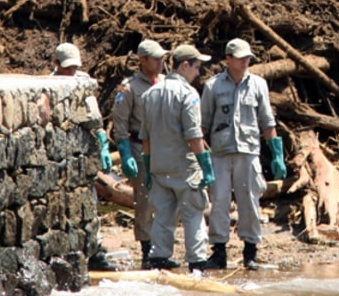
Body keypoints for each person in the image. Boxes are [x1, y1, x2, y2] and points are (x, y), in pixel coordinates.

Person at [199, 38, 287, 270]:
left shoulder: (258, 84)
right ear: (228, 59)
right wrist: (200, 157)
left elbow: (267, 121)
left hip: (248, 152)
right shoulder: (213, 86)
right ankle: (218, 252)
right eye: (241, 57)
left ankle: (251, 252)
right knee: (219, 202)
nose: (246, 61)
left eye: (248, 57)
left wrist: (277, 153)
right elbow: (203, 124)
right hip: (220, 153)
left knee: (250, 201)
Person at [140, 44, 216, 273]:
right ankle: (197, 264)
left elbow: (145, 138)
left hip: (159, 167)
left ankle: (159, 261)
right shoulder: (188, 94)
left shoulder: (149, 94)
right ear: (185, 65)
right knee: (193, 213)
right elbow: (194, 136)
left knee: (163, 215)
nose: (198, 73)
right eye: (197, 67)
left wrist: (148, 167)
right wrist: (206, 166)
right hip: (184, 167)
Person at [50, 42, 118, 272]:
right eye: (67, 67)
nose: (71, 72)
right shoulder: (48, 87)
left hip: (83, 152)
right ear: (56, 64)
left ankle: (95, 251)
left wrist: (103, 145)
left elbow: (96, 120)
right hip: (58, 154)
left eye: (74, 67)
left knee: (89, 202)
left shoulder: (83, 83)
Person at [111, 39, 177, 269]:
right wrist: (126, 153)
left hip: (165, 147)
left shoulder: (167, 83)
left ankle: (164, 249)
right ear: (143, 61)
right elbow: (119, 124)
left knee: (168, 198)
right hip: (140, 147)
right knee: (146, 199)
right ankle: (148, 251)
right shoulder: (129, 88)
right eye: (156, 58)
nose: (161, 62)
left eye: (162, 58)